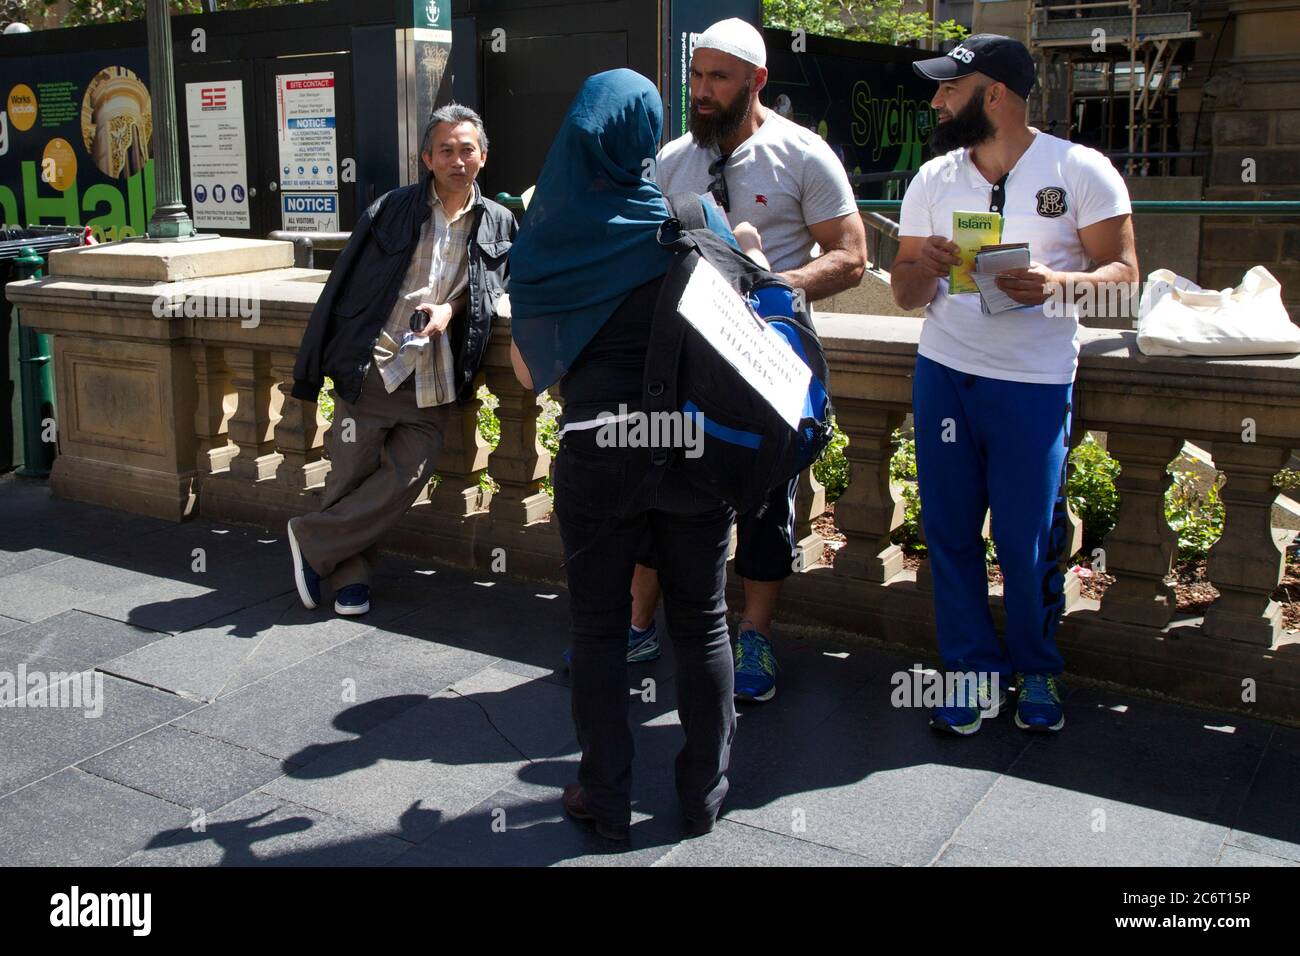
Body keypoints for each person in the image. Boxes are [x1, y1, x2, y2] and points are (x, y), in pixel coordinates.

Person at [510, 69, 769, 842]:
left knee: (598, 629)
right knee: (705, 622)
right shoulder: (695, 220)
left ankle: (605, 795)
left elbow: (530, 375)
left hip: (598, 453)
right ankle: (701, 795)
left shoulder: (546, 239)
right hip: (693, 453)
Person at [891, 35, 1138, 734]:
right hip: (945, 373)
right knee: (947, 529)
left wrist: (1057, 285)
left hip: (1032, 382)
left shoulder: (1081, 169)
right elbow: (905, 294)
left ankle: (1037, 669)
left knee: (1028, 538)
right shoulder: (933, 179)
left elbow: (1125, 283)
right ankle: (972, 673)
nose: (937, 100)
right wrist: (928, 267)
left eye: (949, 87)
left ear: (993, 94)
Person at [631, 17, 867, 703]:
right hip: (684, 365)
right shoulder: (672, 158)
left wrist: (770, 286)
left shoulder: (804, 155)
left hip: (769, 364)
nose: (702, 92)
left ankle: (755, 635)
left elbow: (853, 257)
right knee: (660, 489)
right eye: (696, 77)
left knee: (768, 503)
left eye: (718, 79)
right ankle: (639, 620)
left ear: (757, 81)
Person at [287, 104, 516, 616]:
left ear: (483, 155)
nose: (458, 160)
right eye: (446, 151)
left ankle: (311, 538)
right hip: (375, 363)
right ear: (427, 158)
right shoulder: (392, 208)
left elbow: (492, 287)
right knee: (351, 474)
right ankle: (351, 577)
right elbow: (341, 285)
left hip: (435, 374)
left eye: (467, 150)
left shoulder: (499, 221)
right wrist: (316, 363)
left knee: (407, 475)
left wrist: (451, 309)